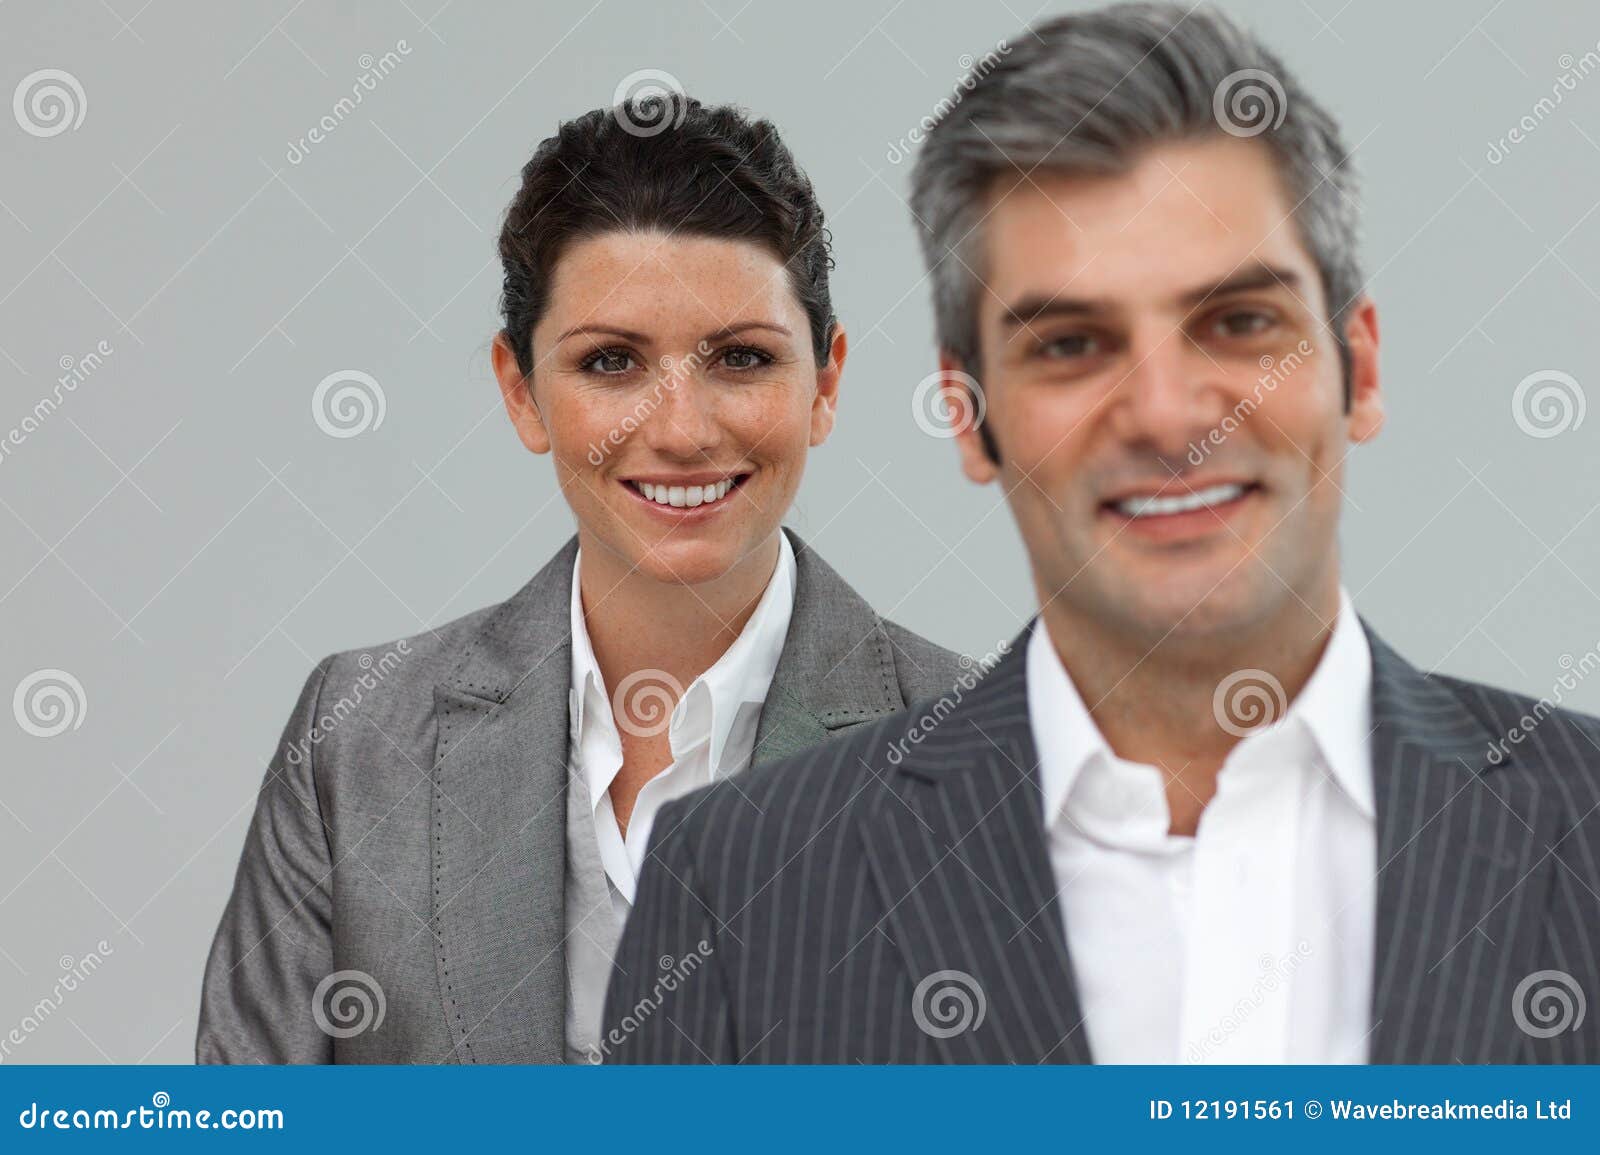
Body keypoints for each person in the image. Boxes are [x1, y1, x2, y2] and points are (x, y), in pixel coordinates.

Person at [604, 3, 1600, 1064]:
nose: (1169, 415)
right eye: (1072, 343)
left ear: (1359, 365)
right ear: (969, 413)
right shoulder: (744, 882)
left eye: (1238, 323)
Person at [196, 93, 965, 1063]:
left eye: (740, 358)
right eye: (610, 361)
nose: (682, 429)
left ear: (825, 383)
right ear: (522, 394)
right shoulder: (357, 746)